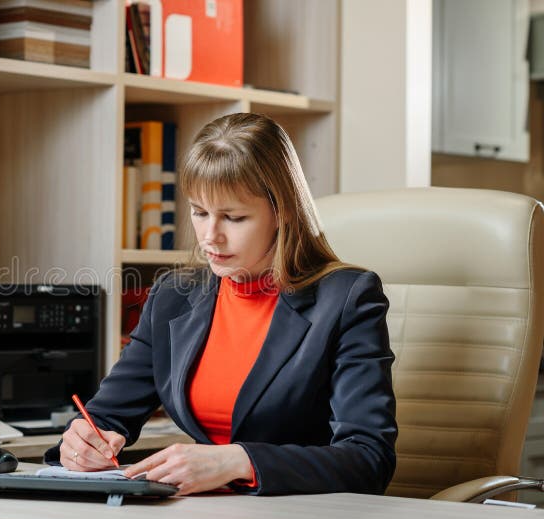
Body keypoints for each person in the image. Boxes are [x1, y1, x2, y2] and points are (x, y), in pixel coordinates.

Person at [44, 113, 397, 496]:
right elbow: (106, 417)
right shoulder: (172, 296)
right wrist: (82, 443)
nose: (211, 236)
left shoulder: (347, 299)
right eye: (199, 212)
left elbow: (368, 458)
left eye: (233, 217)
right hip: (198, 513)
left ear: (284, 211)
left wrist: (237, 461)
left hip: (299, 517)